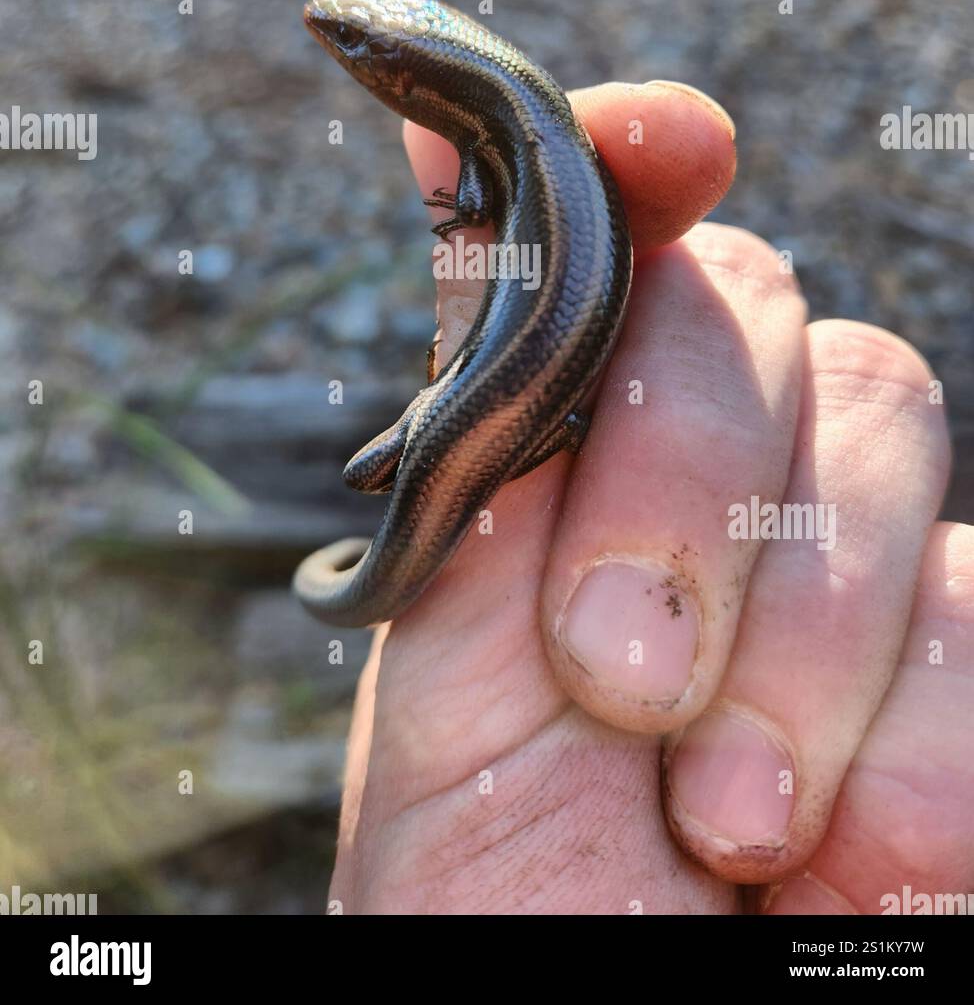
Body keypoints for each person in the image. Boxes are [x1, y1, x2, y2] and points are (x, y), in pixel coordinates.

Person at [329, 80, 971, 915]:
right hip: (532, 415)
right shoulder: (520, 137)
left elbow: (479, 209)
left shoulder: (508, 140)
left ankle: (370, 560)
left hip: (506, 409)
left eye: (358, 49)